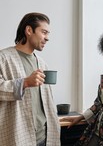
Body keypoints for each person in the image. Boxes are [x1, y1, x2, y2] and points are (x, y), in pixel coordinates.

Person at [0, 12, 60, 146]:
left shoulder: (42, 63)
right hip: (18, 136)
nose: (47, 38)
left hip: (45, 136)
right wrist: (25, 82)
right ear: (29, 30)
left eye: (48, 33)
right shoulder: (3, 58)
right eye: (44, 32)